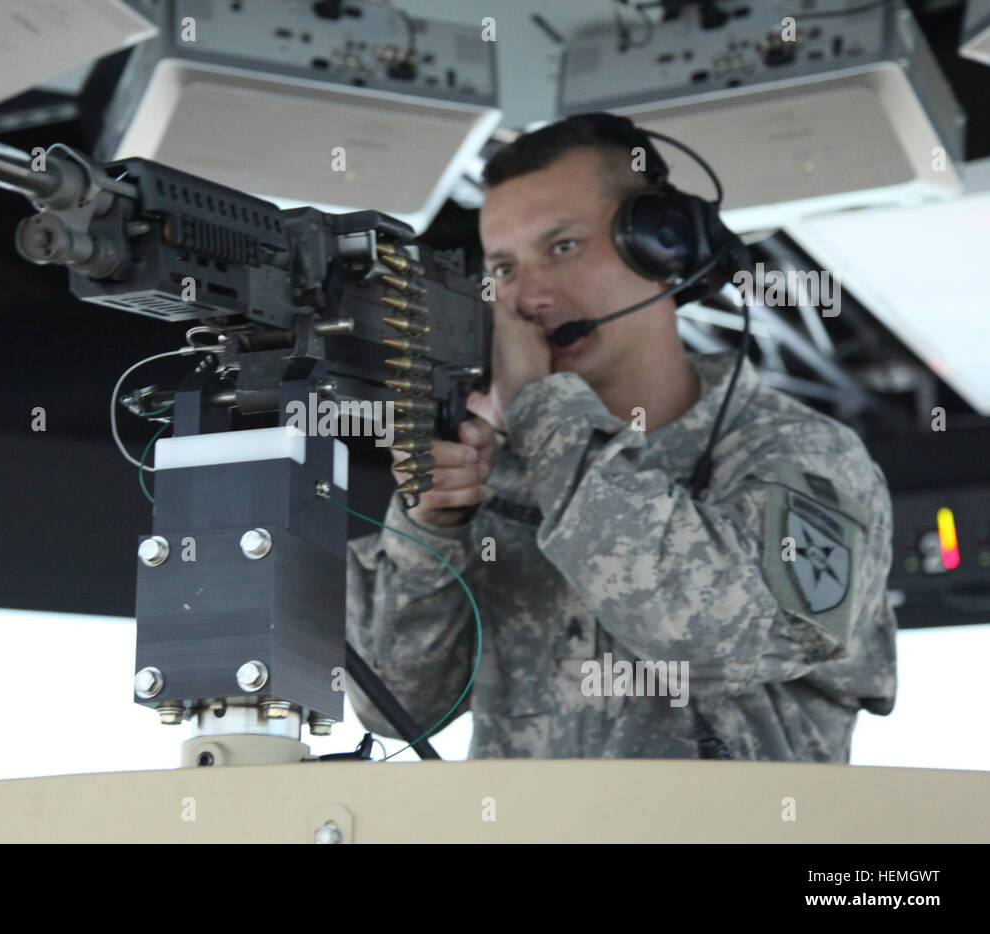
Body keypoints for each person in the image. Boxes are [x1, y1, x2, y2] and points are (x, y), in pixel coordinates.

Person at [344, 114, 897, 760]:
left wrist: (537, 408)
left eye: (563, 248)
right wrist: (432, 532)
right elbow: (397, 705)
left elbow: (710, 633)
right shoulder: (493, 470)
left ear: (661, 247)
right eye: (504, 266)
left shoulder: (804, 456)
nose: (527, 298)